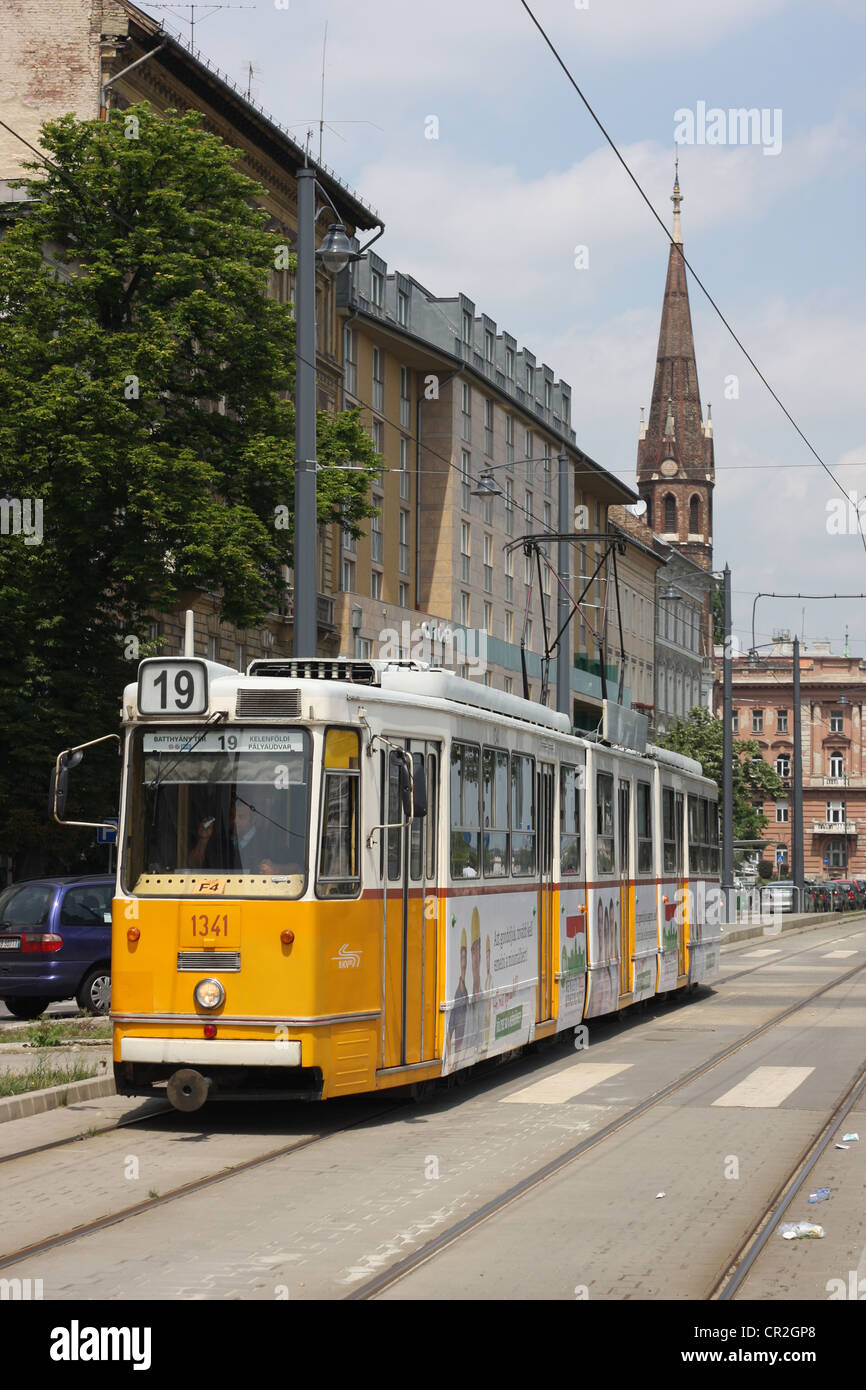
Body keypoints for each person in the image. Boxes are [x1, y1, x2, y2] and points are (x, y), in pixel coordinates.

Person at [189, 799, 277, 874]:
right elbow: (194, 866)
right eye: (232, 816)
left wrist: (275, 868)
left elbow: (289, 867)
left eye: (241, 817)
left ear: (253, 820)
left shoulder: (268, 841)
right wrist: (203, 839)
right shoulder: (220, 840)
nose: (235, 821)